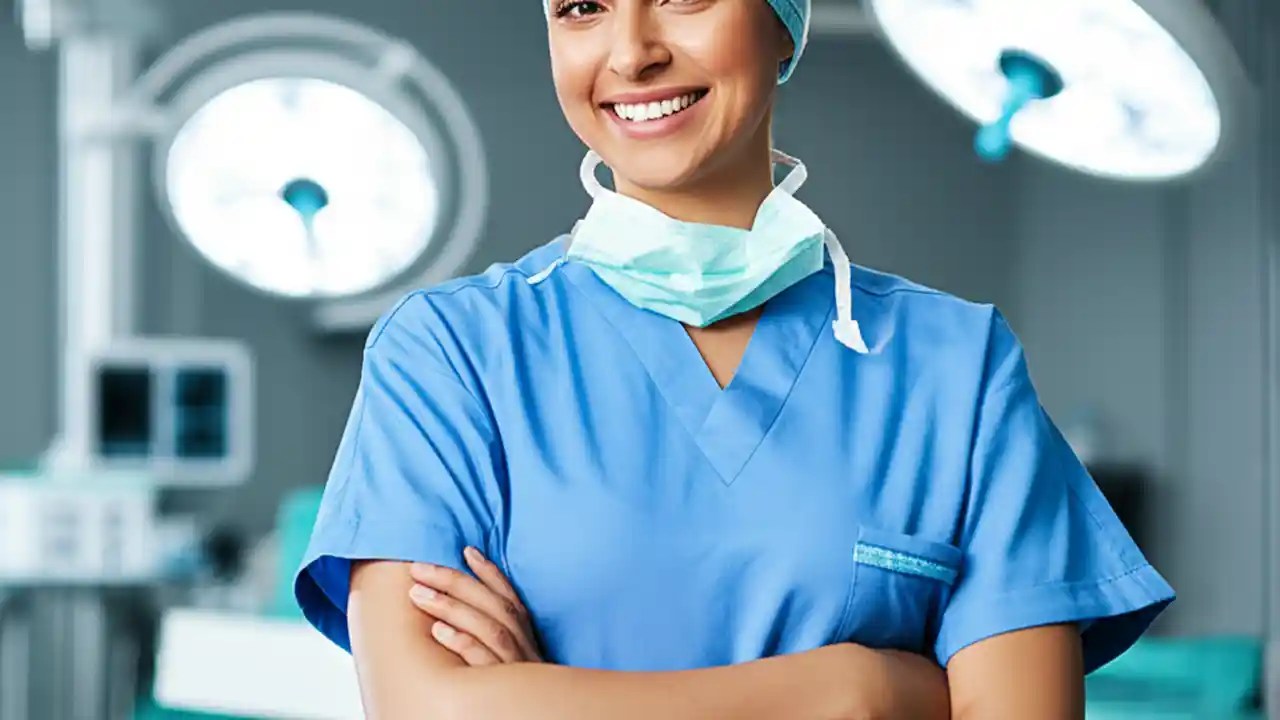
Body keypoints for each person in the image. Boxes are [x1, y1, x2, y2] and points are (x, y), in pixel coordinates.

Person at [295, 0, 1175, 717]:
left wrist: (542, 697)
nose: (632, 52)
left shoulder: (955, 367)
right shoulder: (450, 354)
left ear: (783, 22)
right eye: (582, 8)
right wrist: (858, 690)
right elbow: (430, 710)